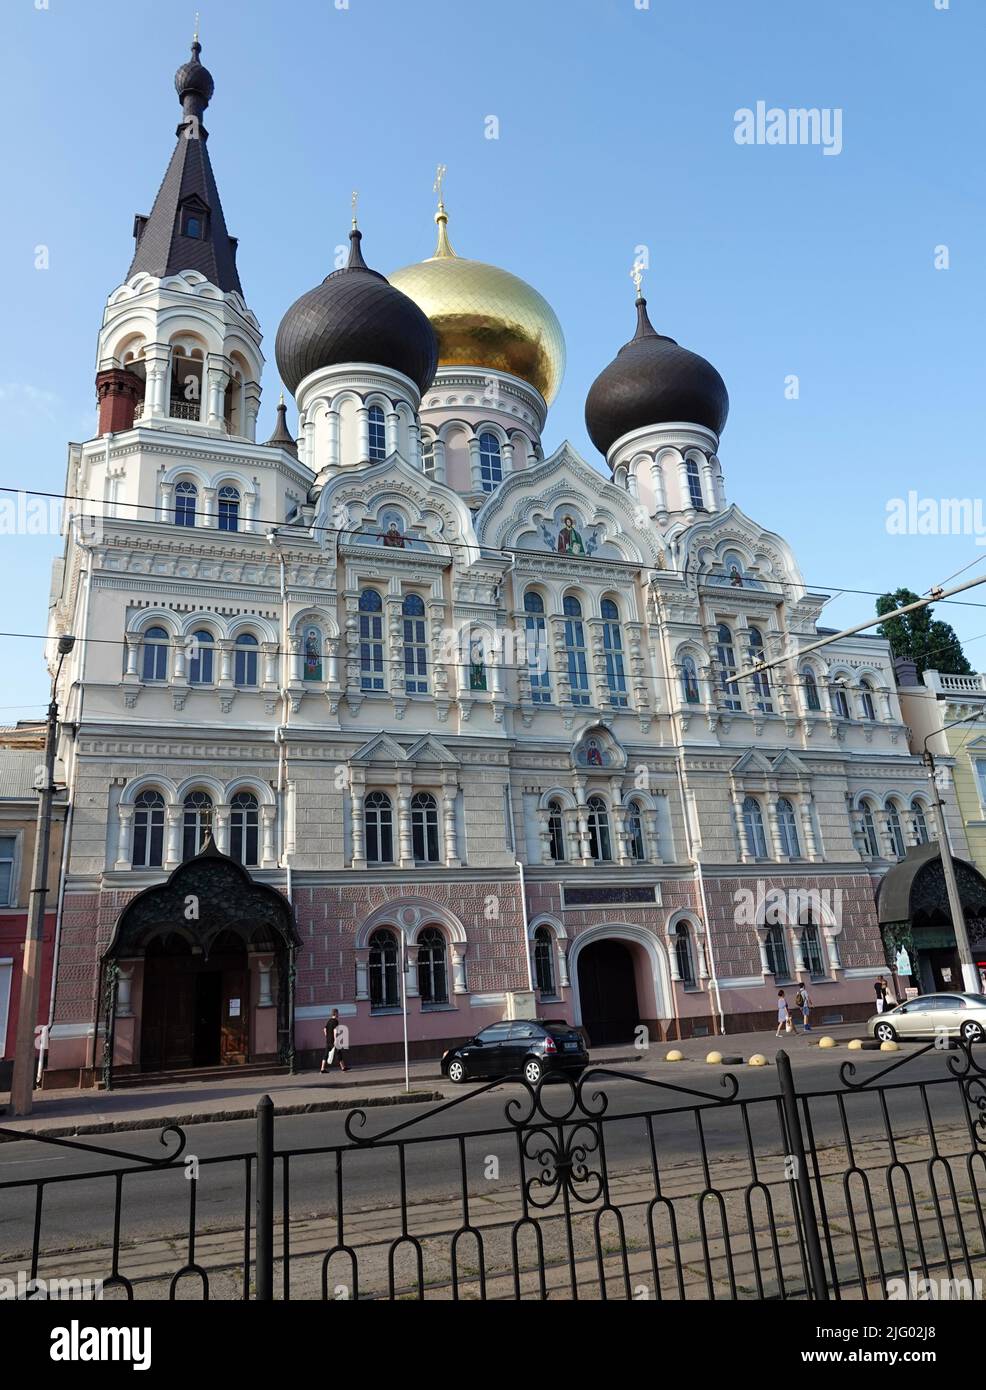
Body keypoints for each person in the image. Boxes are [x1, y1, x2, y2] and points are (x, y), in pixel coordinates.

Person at [320, 1008, 348, 1074]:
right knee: (338, 1053)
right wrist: (335, 1039)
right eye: (338, 1013)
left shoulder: (329, 1021)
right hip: (333, 1040)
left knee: (326, 1054)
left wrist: (327, 1036)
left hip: (328, 1040)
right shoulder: (335, 1021)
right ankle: (343, 1068)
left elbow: (324, 1029)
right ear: (335, 1013)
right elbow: (335, 1030)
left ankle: (322, 1068)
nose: (338, 1014)